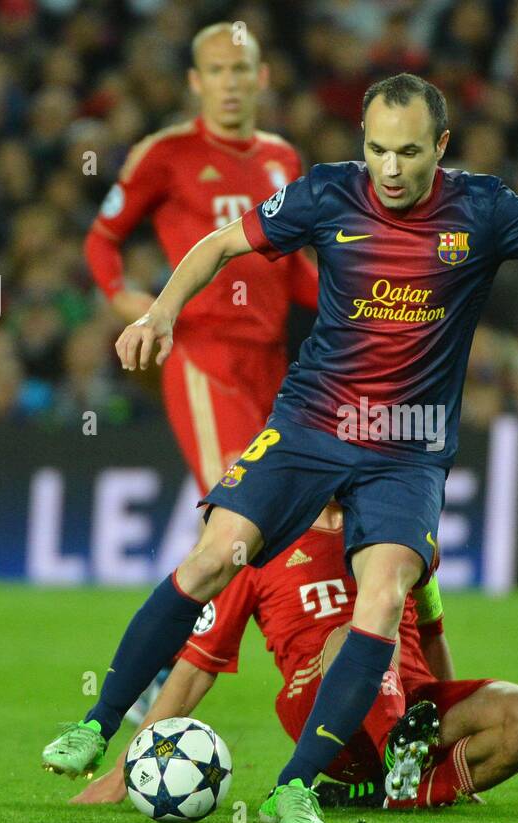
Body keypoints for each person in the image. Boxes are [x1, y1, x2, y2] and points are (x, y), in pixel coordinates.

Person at [44, 71, 518, 823]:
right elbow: (220, 244)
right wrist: (162, 312)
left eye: (409, 152)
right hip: (312, 421)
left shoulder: (483, 208)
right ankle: (98, 719)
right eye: (377, 149)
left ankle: (298, 786)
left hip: (406, 451)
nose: (390, 168)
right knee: (214, 555)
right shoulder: (325, 193)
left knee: (380, 596)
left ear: (440, 146)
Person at [71, 502, 518, 812]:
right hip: (323, 712)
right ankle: (398, 753)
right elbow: (198, 667)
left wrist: (448, 739)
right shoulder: (255, 546)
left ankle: (405, 788)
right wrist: (124, 769)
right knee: (359, 635)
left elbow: (431, 634)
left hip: (412, 701)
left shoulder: (403, 529)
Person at [83, 21, 319, 492]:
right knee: (239, 503)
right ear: (196, 81)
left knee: (266, 512)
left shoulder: (283, 159)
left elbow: (290, 266)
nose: (229, 82)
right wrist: (126, 299)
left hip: (272, 360)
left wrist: (360, 303)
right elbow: (101, 240)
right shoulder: (165, 155)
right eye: (216, 71)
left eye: (239, 69)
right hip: (203, 354)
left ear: (262, 77)